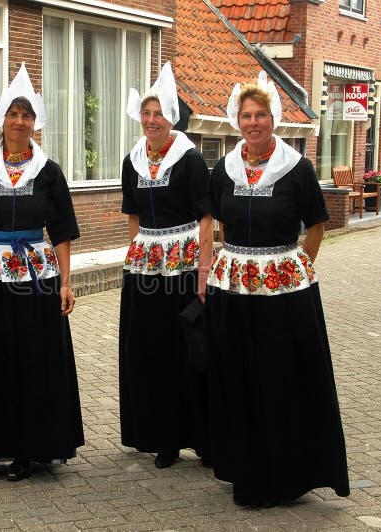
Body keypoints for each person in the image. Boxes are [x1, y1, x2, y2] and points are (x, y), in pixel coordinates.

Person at [204, 71, 350, 507]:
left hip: (284, 296)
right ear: (237, 120)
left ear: (274, 118)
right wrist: (215, 269)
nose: (254, 123)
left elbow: (318, 225)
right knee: (239, 376)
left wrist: (298, 267)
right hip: (233, 291)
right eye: (247, 116)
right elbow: (216, 223)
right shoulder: (224, 170)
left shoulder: (297, 168)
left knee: (279, 379)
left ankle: (284, 475)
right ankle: (244, 469)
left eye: (261, 115)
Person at [0, 63, 84, 489]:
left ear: (35, 123)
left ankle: (30, 449)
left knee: (33, 360)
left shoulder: (49, 172)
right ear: (1, 120)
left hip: (38, 277)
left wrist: (65, 280)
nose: (19, 122)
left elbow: (61, 230)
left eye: (27, 115)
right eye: (13, 114)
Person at [118, 62, 213, 469]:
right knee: (151, 350)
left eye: (158, 113)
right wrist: (140, 253)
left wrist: (204, 273)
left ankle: (199, 436)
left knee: (187, 351)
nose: (151, 120)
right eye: (146, 113)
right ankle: (161, 436)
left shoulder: (189, 160)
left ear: (171, 116)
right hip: (145, 267)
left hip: (184, 263)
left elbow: (207, 219)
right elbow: (133, 219)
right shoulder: (132, 161)